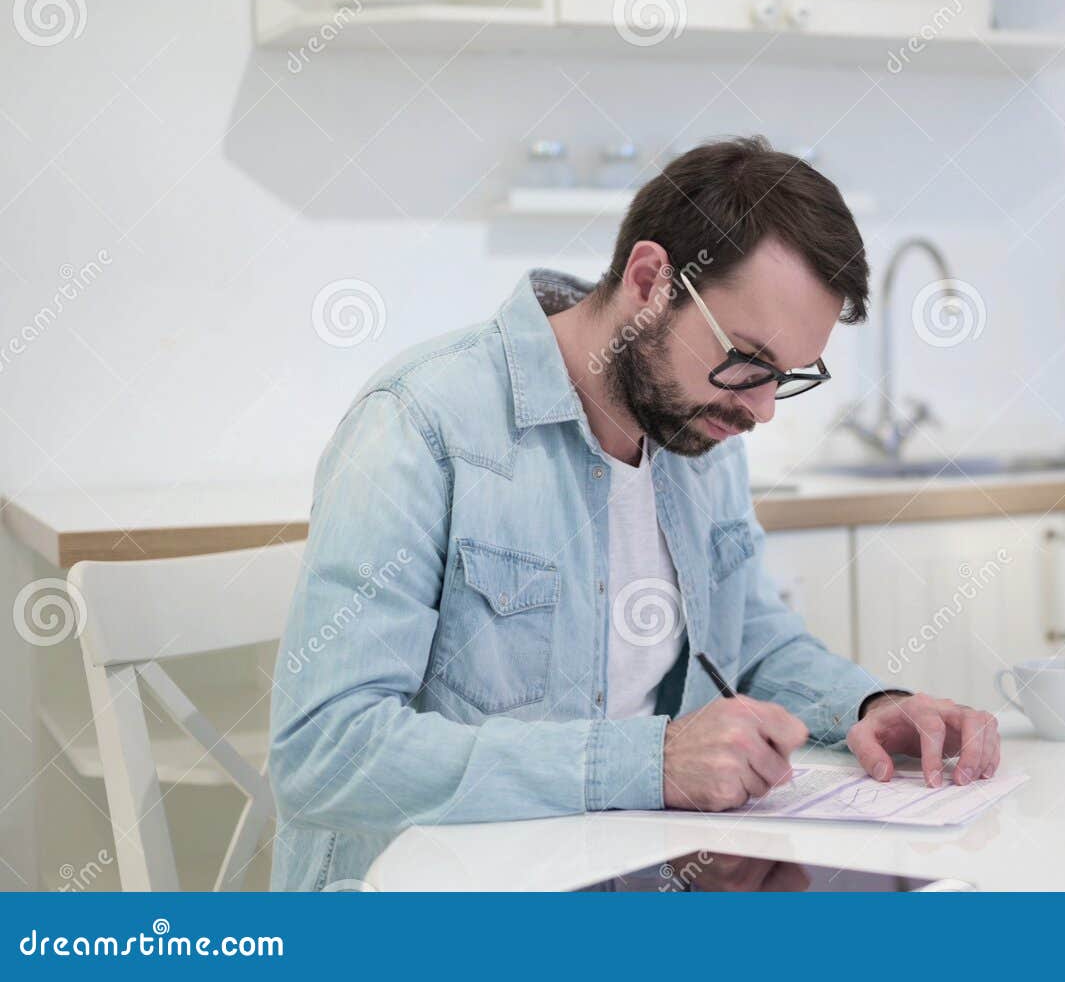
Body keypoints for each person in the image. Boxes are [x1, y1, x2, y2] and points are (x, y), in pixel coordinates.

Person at [268, 136, 1001, 891]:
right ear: (651, 280)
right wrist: (649, 762)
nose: (762, 409)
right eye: (748, 361)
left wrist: (870, 705)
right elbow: (326, 751)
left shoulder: (699, 432)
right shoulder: (423, 423)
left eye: (787, 377)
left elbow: (747, 638)